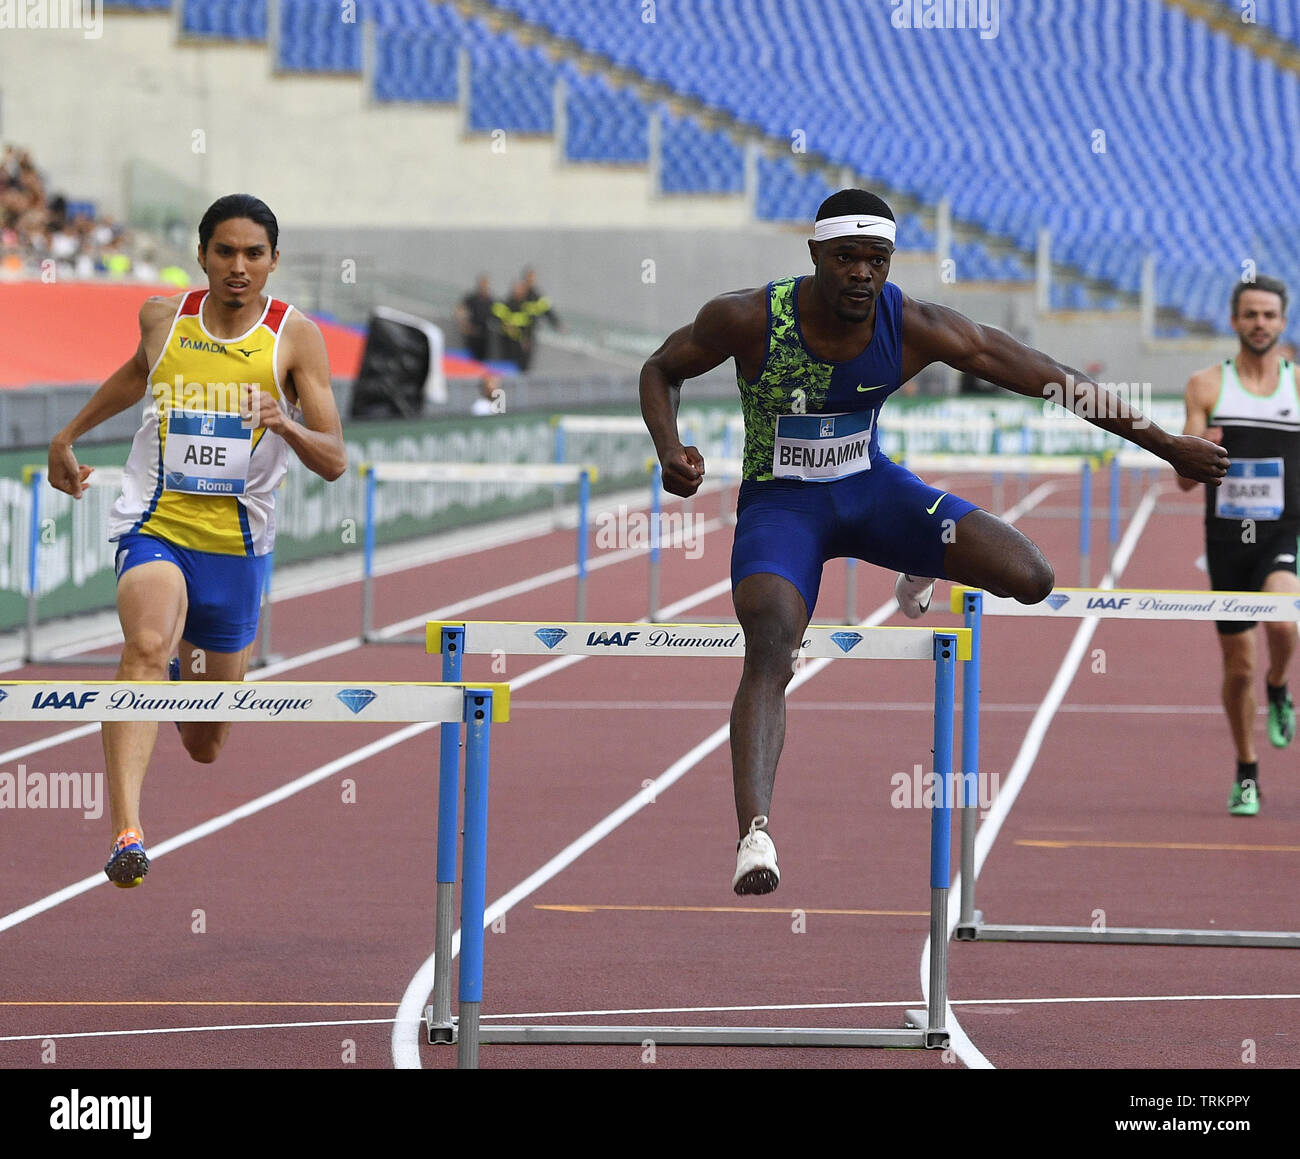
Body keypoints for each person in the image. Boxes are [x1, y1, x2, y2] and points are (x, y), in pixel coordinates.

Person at [639, 188, 1229, 894]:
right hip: (783, 507)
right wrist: (669, 448)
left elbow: (1048, 378)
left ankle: (923, 559)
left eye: (877, 259)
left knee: (1032, 574)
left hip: (872, 493)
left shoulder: (913, 325)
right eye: (847, 257)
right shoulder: (748, 317)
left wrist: (1164, 444)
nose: (862, 273)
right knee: (771, 635)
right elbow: (660, 369)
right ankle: (755, 832)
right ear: (815, 256)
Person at [46, 193, 347, 888]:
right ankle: (127, 831)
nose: (238, 267)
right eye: (224, 252)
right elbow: (136, 373)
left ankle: (182, 680)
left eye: (253, 254)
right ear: (203, 254)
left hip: (236, 550)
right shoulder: (164, 317)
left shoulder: (295, 337)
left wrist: (287, 421)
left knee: (206, 739)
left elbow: (334, 460)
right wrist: (68, 435)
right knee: (146, 643)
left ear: (274, 261)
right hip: (154, 526)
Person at [1177, 275, 1297, 816]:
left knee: (1281, 621)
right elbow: (1183, 479)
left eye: (1269, 315)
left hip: (1283, 532)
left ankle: (1279, 684)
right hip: (1226, 540)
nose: (1260, 324)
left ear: (1283, 322)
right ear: (1234, 321)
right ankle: (1246, 772)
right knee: (1237, 668)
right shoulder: (1206, 385)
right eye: (1251, 314)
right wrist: (1201, 451)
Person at [457, 274, 496, 362]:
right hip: (472, 332)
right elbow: (460, 308)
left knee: (482, 360)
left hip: (484, 334)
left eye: (486, 284)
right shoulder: (472, 298)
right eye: (482, 284)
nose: (484, 286)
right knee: (469, 358)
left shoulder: (491, 300)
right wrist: (463, 324)